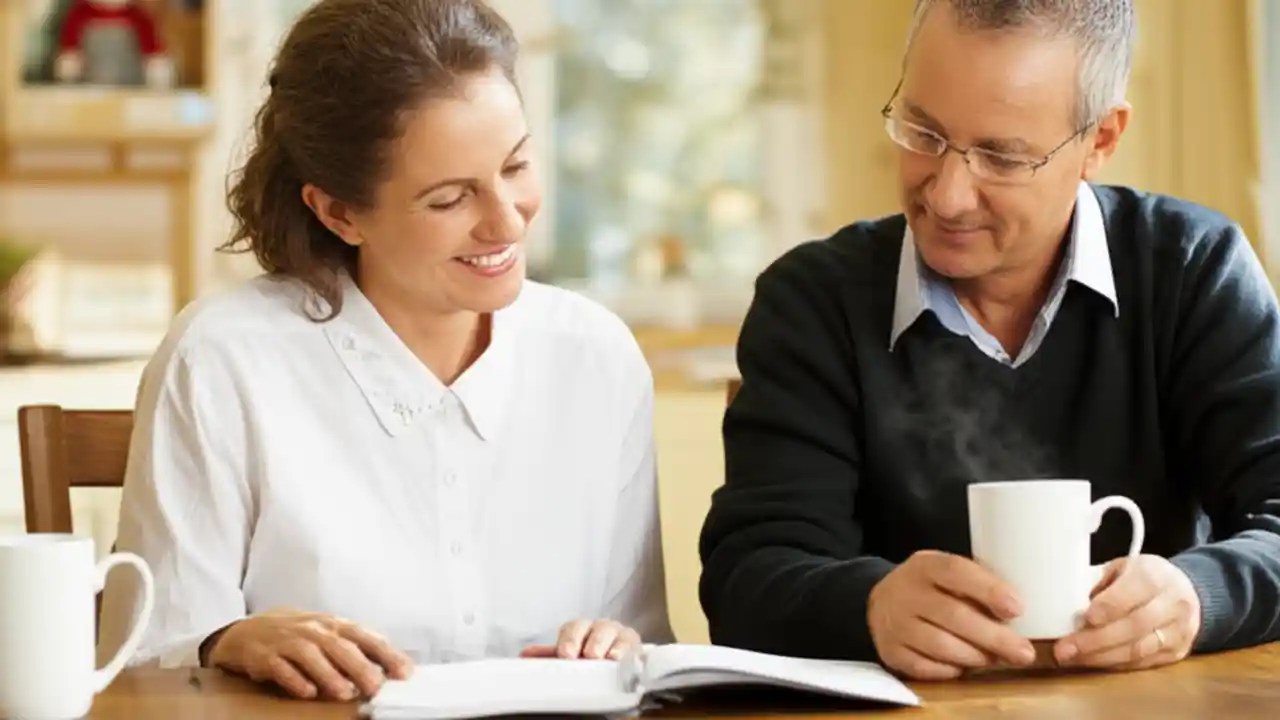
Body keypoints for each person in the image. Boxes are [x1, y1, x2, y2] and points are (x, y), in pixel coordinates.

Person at [98, 0, 673, 702]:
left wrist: (619, 647)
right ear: (338, 211)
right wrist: (228, 642)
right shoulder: (222, 359)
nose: (505, 218)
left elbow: (643, 647)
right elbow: (147, 668)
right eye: (449, 198)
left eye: (516, 165)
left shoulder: (596, 357)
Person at [699, 0, 1280, 681]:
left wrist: (1198, 598)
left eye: (1002, 157)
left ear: (1101, 139)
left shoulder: (1191, 270)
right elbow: (746, 576)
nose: (946, 196)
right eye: (922, 131)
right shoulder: (814, 302)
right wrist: (866, 606)